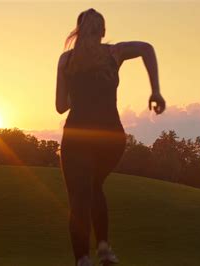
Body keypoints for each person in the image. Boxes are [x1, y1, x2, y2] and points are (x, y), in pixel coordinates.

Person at [55, 8, 166, 266]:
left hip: (77, 137)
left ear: (78, 31)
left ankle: (83, 259)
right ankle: (104, 248)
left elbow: (61, 106)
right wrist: (156, 91)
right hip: (111, 137)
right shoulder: (114, 53)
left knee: (79, 198)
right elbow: (147, 48)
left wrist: (81, 93)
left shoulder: (66, 60)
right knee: (94, 187)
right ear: (103, 31)